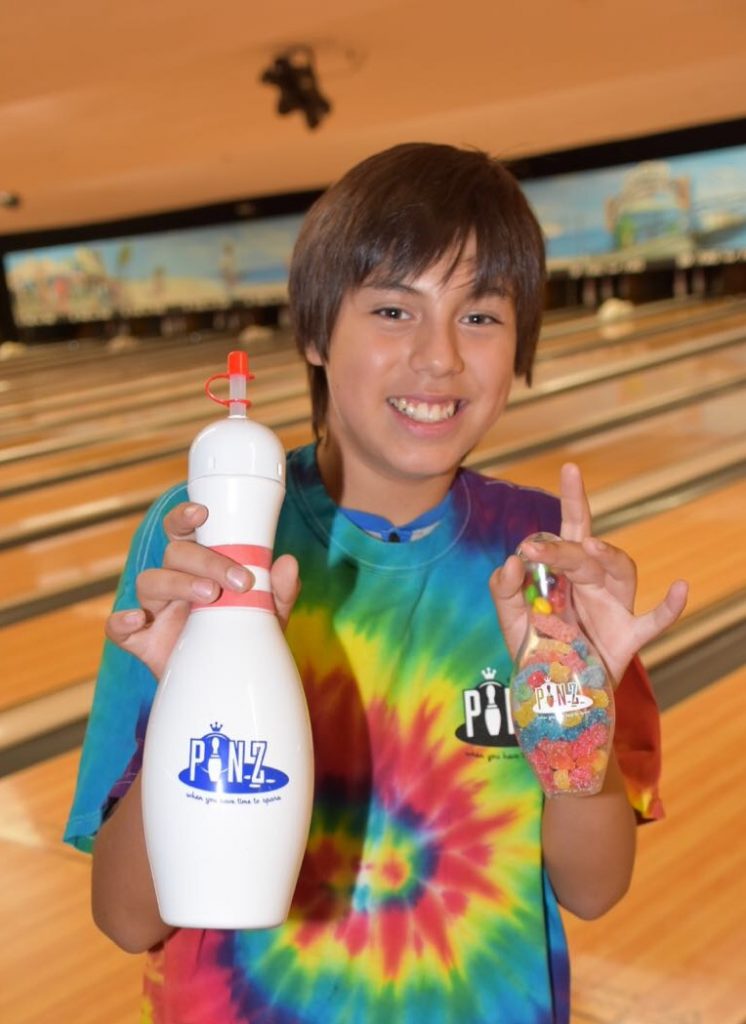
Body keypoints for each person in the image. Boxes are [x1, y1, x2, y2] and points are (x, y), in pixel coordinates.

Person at [64, 142, 688, 1023]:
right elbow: (127, 917)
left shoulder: (543, 561)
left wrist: (572, 711)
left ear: (521, 343)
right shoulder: (215, 530)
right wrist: (185, 699)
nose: (438, 358)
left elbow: (592, 890)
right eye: (395, 310)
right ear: (316, 333)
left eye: (480, 316)